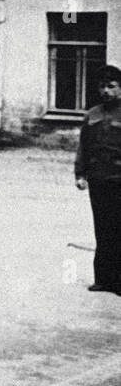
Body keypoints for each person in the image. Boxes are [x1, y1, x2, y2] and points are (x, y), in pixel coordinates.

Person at [75, 63, 121, 294]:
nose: (106, 91)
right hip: (99, 179)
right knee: (102, 228)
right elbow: (83, 147)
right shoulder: (92, 115)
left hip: (119, 179)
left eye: (111, 86)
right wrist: (80, 174)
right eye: (102, 86)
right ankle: (103, 279)